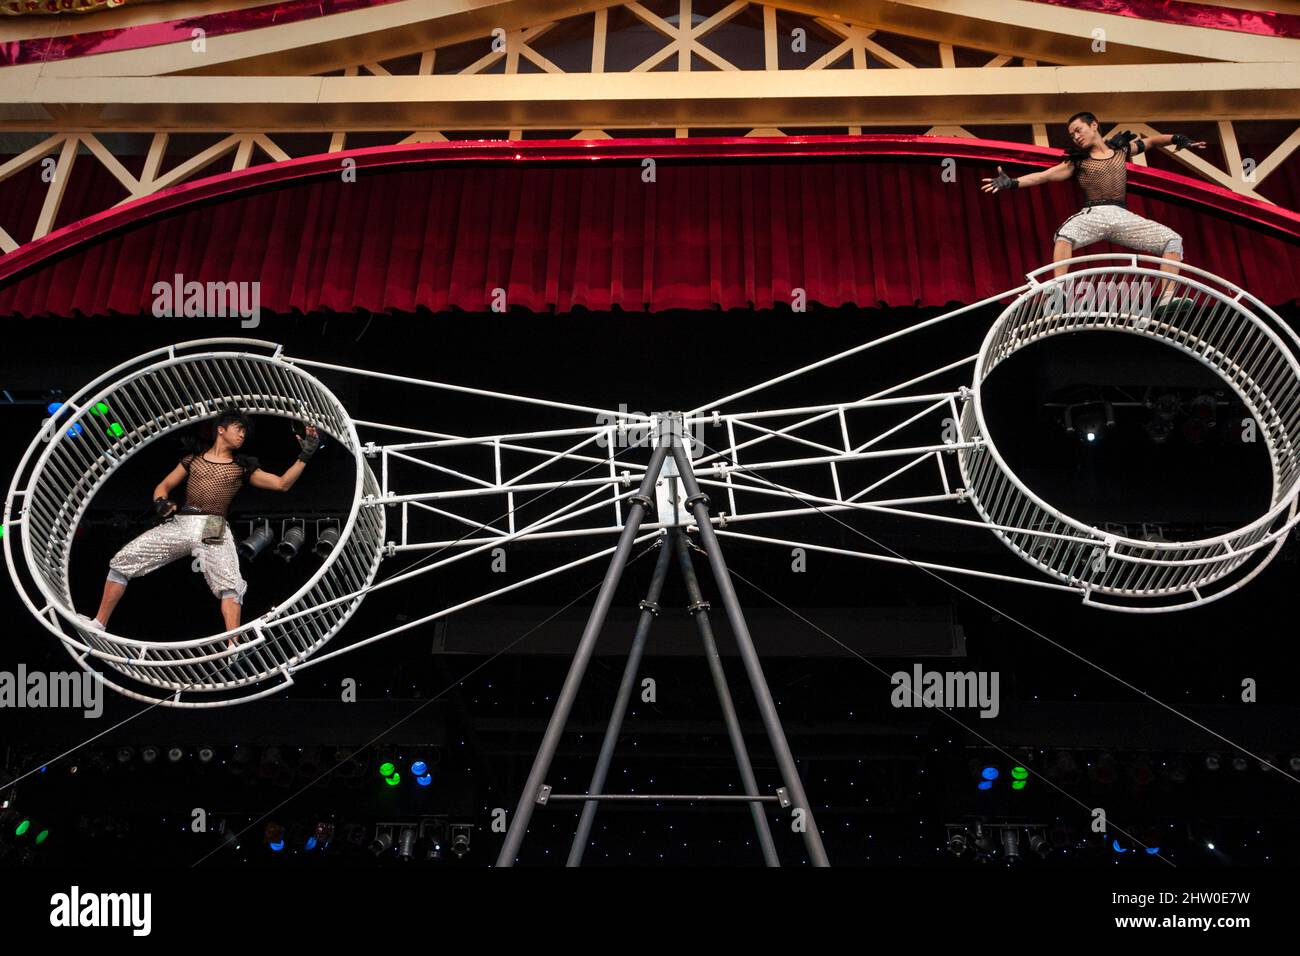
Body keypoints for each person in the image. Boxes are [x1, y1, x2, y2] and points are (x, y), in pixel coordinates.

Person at [79, 408, 321, 641]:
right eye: (238, 429)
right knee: (123, 561)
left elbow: (281, 484)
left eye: (245, 432)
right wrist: (161, 503)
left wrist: (305, 456)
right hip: (182, 522)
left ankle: (233, 643)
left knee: (229, 582)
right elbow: (162, 487)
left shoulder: (241, 466)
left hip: (212, 526)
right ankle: (99, 623)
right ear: (221, 430)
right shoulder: (192, 460)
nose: (242, 435)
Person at [982, 111, 1207, 319]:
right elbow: (1045, 176)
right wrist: (1012, 183)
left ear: (1094, 125)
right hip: (1094, 214)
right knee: (1065, 235)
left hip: (1122, 215)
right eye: (1072, 135)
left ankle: (1167, 299)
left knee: (1172, 240)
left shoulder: (1122, 151)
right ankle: (1057, 289)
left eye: (1079, 130)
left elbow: (1152, 141)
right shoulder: (1078, 161)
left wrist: (1178, 138)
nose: (1076, 137)